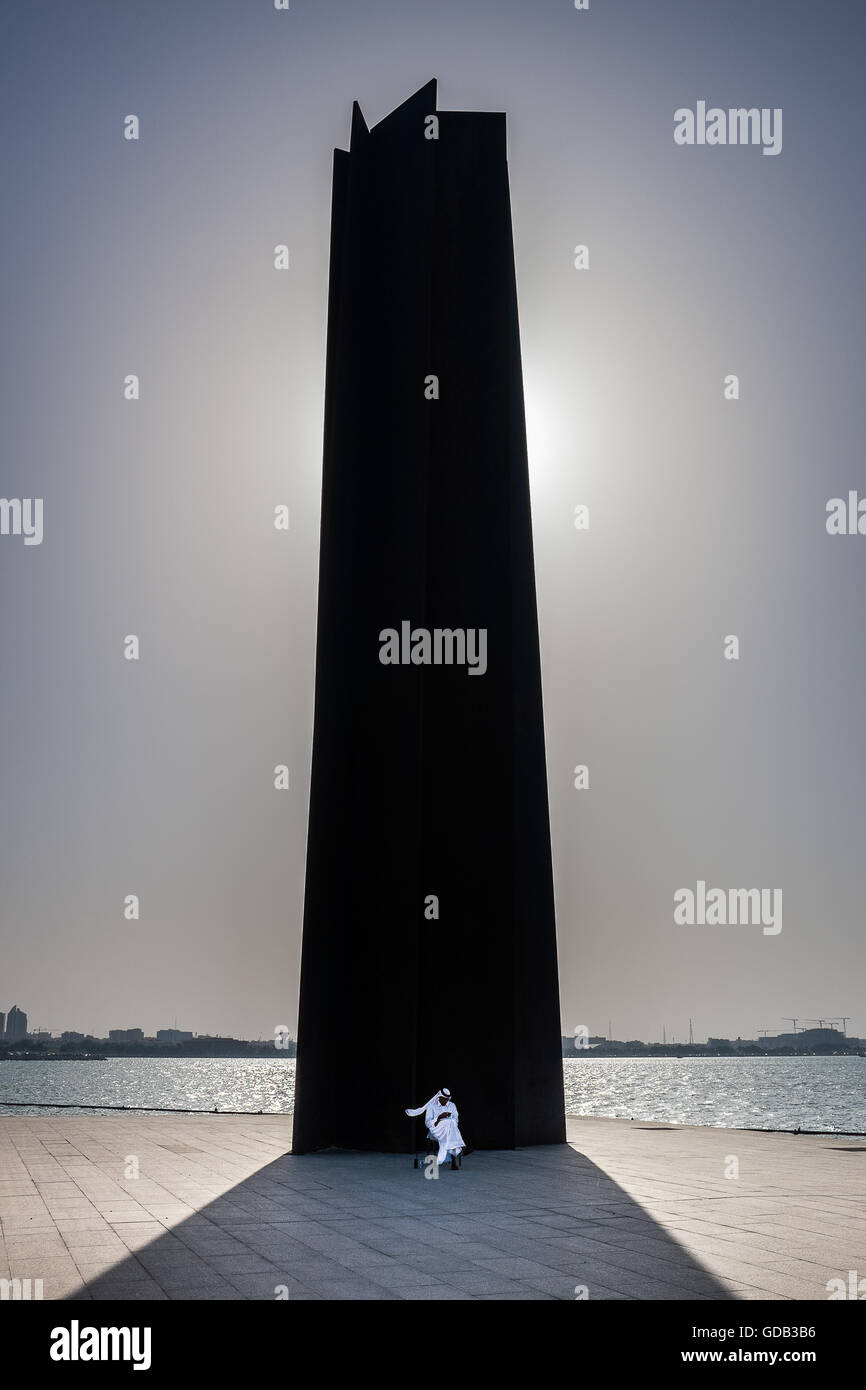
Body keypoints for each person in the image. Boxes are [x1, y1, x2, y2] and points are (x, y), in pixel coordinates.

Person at [405, 1087, 465, 1166]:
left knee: (450, 1123)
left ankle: (453, 1160)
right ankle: (460, 1149)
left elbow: (456, 1120)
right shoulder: (431, 1106)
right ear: (439, 1097)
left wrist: (447, 1120)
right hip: (436, 1130)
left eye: (447, 1099)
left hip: (449, 1130)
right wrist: (439, 1117)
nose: (446, 1101)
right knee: (450, 1124)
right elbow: (428, 1123)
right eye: (444, 1099)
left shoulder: (452, 1105)